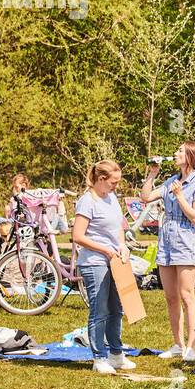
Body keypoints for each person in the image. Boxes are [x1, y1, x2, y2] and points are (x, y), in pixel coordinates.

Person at [140, 142, 195, 362]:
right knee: (171, 297)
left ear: (190, 157)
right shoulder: (172, 180)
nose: (176, 153)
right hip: (166, 241)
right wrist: (152, 174)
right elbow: (146, 197)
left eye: (180, 151)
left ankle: (191, 346)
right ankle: (177, 344)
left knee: (187, 295)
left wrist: (180, 196)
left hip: (185, 239)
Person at [72, 160, 134, 375]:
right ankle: (99, 357)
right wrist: (105, 250)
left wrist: (122, 245)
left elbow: (118, 227)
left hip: (115, 260)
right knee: (100, 310)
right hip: (94, 262)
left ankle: (116, 354)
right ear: (101, 179)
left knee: (117, 308)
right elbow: (78, 236)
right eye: (113, 182)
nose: (116, 186)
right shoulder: (87, 201)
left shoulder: (112, 198)